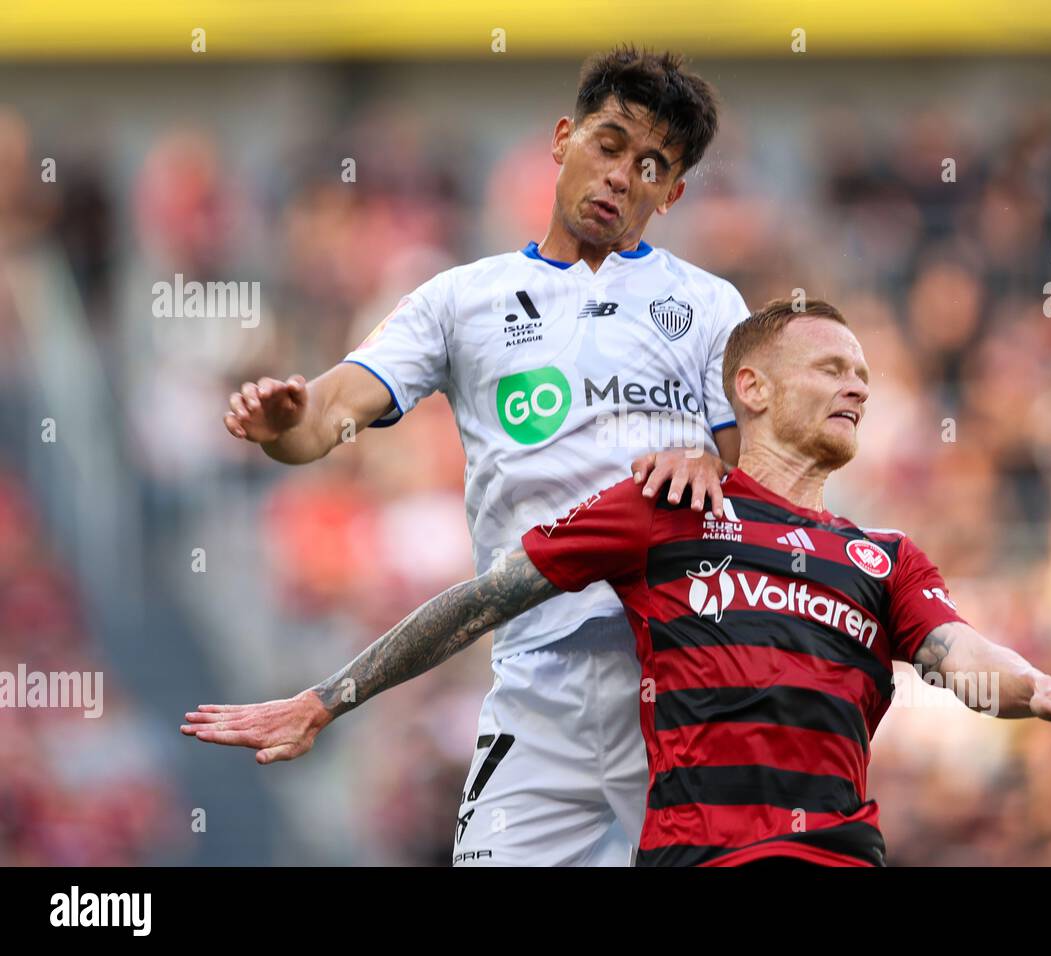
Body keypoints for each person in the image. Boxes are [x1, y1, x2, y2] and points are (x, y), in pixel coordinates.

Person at [188, 297, 1051, 867]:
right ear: (752, 389)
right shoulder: (668, 510)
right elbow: (483, 601)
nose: (859, 386)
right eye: (833, 366)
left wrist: (1031, 689)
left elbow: (955, 653)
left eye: (866, 374)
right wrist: (328, 698)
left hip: (841, 853)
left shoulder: (882, 554)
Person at [220, 46, 749, 866]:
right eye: (609, 146)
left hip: (680, 675)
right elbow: (322, 418)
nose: (621, 177)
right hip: (535, 678)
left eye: (652, 166)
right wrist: (280, 421)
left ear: (672, 193)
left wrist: (716, 465)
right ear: (563, 137)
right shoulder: (461, 300)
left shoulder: (712, 306)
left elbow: (763, 475)